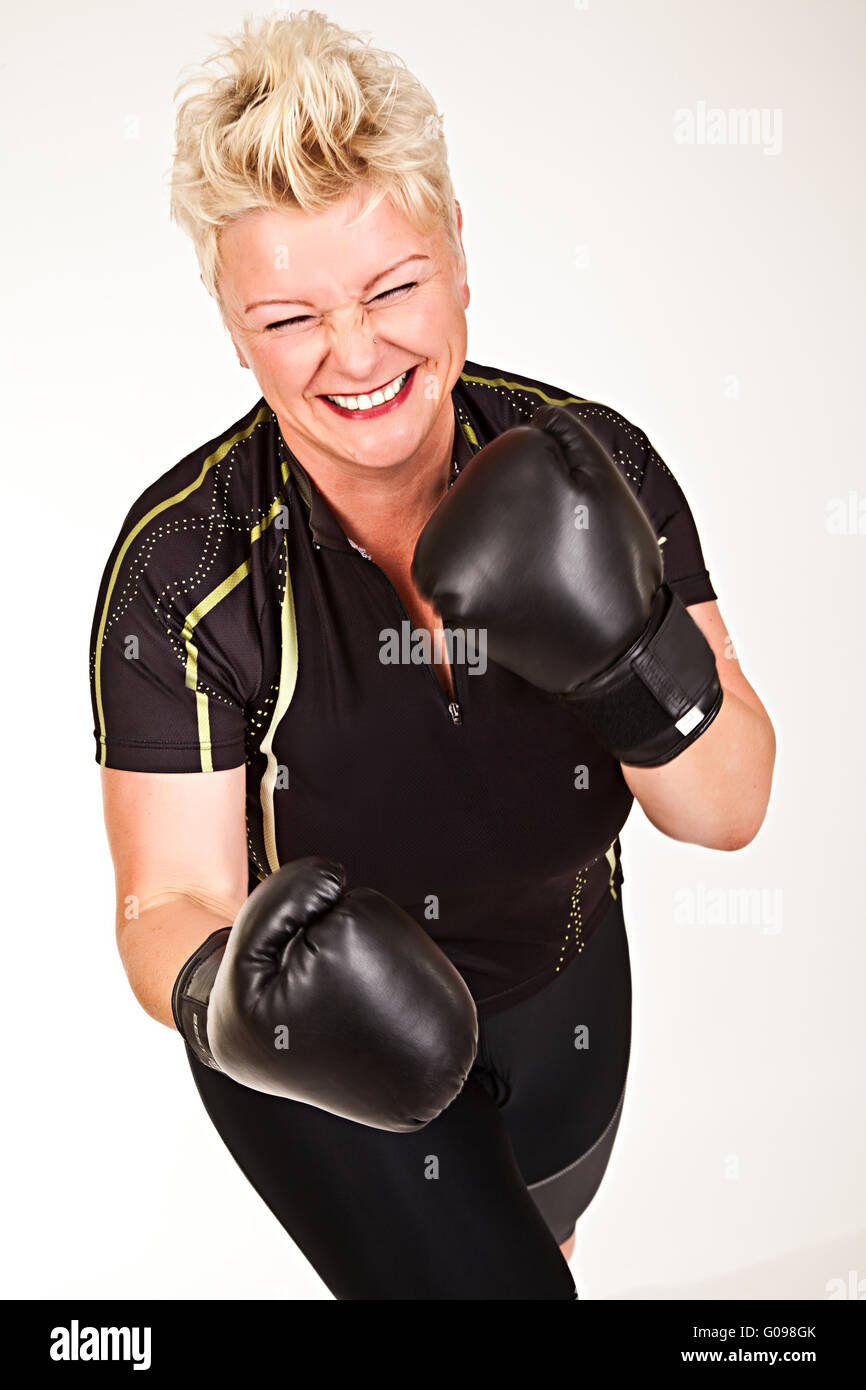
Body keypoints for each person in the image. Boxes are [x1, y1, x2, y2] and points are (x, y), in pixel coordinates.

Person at [88, 10, 776, 1300]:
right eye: (290, 316)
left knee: (546, 1263)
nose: (356, 356)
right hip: (321, 1060)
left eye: (394, 287)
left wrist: (630, 652)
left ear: (459, 252)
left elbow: (729, 807)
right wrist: (227, 995)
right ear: (231, 321)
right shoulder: (188, 569)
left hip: (571, 992)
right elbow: (160, 901)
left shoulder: (592, 465)